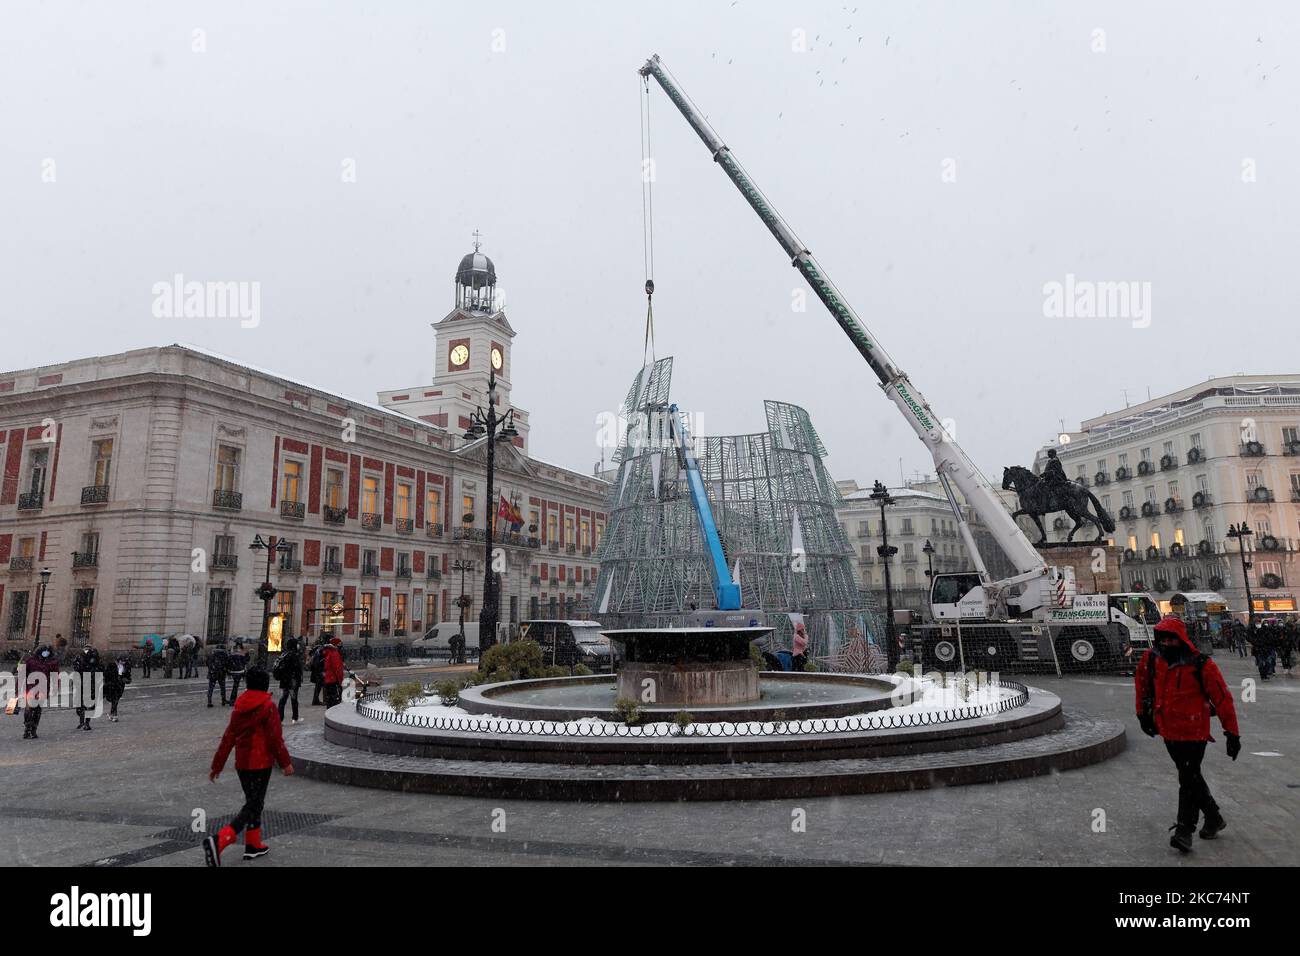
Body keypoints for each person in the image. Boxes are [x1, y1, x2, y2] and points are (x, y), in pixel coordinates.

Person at [1135, 616, 1240, 854]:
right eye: (1163, 639)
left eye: (1172, 639)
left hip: (1195, 732)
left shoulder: (1201, 664)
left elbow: (1222, 699)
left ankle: (1185, 830)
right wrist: (1142, 714)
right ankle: (1213, 817)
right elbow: (1141, 685)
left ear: (1182, 639)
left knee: (1188, 776)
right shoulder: (1151, 659)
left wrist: (1232, 733)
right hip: (1168, 730)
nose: (1167, 644)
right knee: (1190, 775)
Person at [203, 666, 293, 866]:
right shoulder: (268, 707)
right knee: (253, 804)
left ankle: (253, 845)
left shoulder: (239, 707)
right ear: (265, 685)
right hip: (260, 763)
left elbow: (228, 738)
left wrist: (217, 765)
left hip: (242, 764)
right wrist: (285, 763)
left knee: (254, 802)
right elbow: (275, 739)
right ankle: (220, 840)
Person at [21, 644, 60, 740]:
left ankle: (33, 729)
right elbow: (22, 674)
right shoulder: (31, 661)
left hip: (42, 689)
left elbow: (55, 676)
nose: (46, 654)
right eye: (44, 651)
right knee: (29, 709)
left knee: (37, 710)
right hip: (31, 688)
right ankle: (28, 728)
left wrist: (55, 688)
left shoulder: (52, 662)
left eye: (47, 652)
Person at [273, 639, 304, 724]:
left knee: (283, 699)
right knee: (293, 699)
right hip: (292, 681)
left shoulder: (284, 654)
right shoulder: (293, 655)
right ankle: (295, 718)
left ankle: (280, 718)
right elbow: (297, 669)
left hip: (285, 681)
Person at [73, 645, 101, 731]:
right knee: (81, 704)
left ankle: (87, 723)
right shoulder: (79, 657)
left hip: (90, 683)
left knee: (88, 704)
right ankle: (82, 721)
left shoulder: (94, 658)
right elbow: (76, 668)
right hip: (82, 683)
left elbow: (98, 668)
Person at [321, 637, 345, 707]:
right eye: (340, 644)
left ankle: (329, 711)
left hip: (329, 678)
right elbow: (337, 668)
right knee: (334, 699)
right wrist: (340, 680)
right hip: (333, 679)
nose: (341, 645)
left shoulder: (329, 652)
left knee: (330, 698)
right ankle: (332, 714)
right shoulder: (334, 653)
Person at [102, 655, 127, 722]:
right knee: (114, 700)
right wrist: (109, 681)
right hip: (111, 685)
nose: (123, 663)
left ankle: (112, 714)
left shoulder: (125, 667)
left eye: (124, 661)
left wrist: (126, 680)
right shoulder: (111, 665)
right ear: (118, 660)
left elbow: (127, 676)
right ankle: (114, 715)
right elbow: (106, 674)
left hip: (119, 686)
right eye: (122, 661)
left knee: (115, 701)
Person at [206, 640, 230, 707]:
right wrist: (226, 670)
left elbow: (208, 663)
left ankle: (209, 701)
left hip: (212, 673)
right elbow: (227, 663)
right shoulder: (225, 654)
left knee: (211, 687)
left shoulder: (212, 654)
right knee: (222, 687)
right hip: (221, 673)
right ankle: (223, 700)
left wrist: (211, 669)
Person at [226, 640, 248, 704]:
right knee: (239, 685)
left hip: (233, 671)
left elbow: (229, 661)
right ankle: (234, 699)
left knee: (235, 685)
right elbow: (245, 661)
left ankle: (232, 699)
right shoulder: (242, 651)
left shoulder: (232, 649)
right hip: (240, 671)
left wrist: (228, 671)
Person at [309, 638, 327, 705]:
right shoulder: (322, 650)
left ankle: (315, 700)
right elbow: (321, 661)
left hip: (316, 671)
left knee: (318, 686)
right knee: (324, 685)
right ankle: (325, 701)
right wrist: (322, 670)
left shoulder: (317, 649)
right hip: (320, 671)